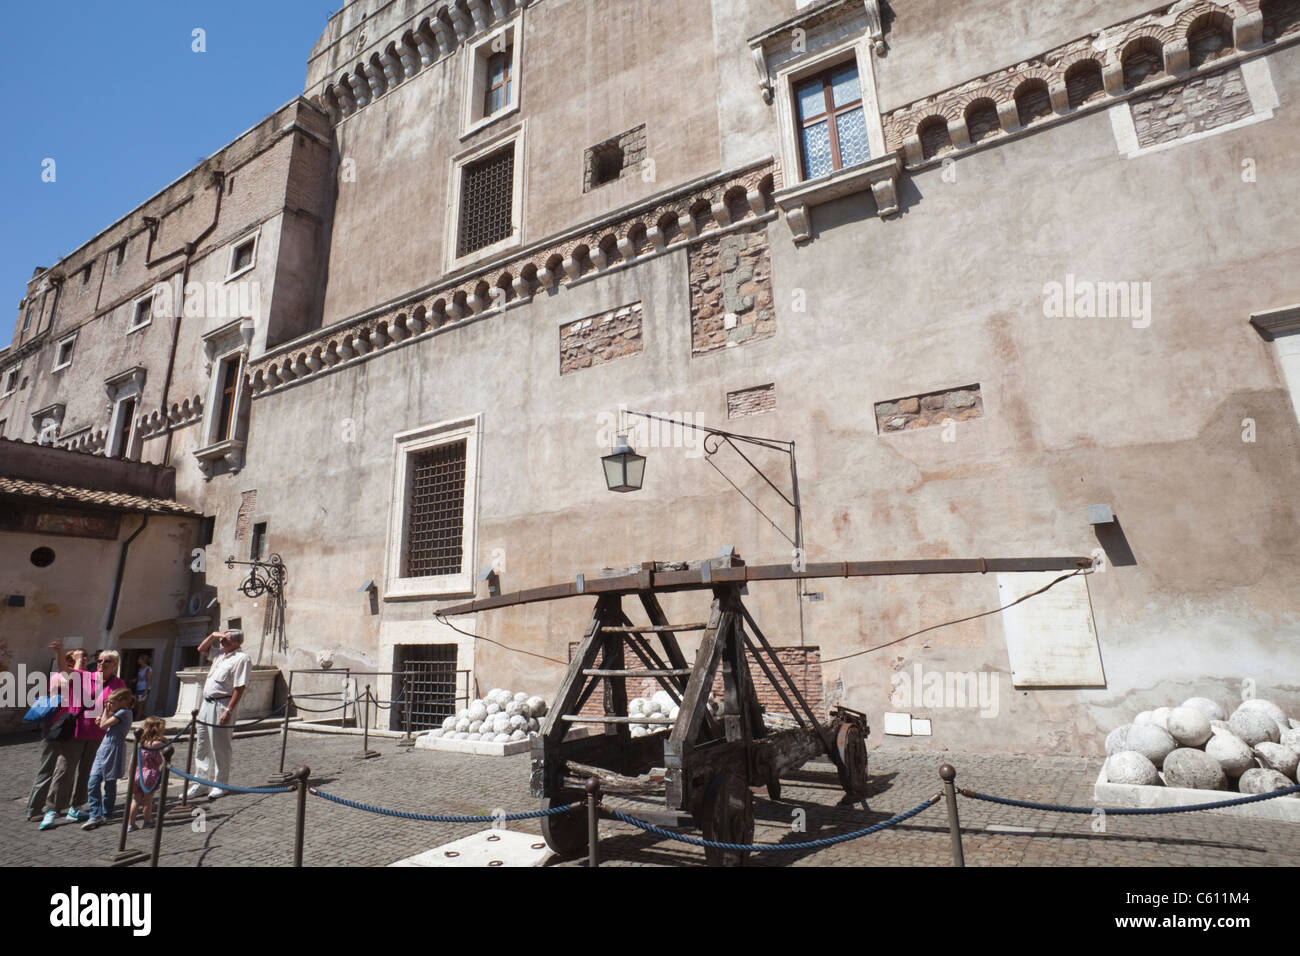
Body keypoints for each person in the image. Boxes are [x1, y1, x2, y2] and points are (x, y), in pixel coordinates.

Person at [41, 646, 125, 830]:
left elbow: (122, 706)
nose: (101, 663)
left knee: (88, 772)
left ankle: (76, 807)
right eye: (100, 660)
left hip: (99, 734)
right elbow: (65, 671)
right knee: (64, 770)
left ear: (115, 665)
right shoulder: (85, 677)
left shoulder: (119, 684)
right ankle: (52, 810)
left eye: (107, 661)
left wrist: (110, 717)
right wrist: (59, 652)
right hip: (77, 731)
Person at [189, 630, 249, 801]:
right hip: (206, 704)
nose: (222, 642)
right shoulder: (220, 655)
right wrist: (213, 636)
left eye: (225, 640)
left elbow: (240, 687)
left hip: (222, 704)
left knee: (220, 746)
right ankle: (200, 783)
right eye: (221, 640)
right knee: (202, 745)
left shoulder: (242, 659)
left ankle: (220, 784)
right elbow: (201, 648)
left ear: (236, 643)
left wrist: (229, 710)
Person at [26, 646, 83, 821]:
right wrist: (75, 660)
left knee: (64, 769)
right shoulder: (59, 677)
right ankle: (34, 809)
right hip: (54, 728)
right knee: (47, 769)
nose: (82, 661)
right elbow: (73, 680)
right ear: (67, 663)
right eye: (76, 659)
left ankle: (57, 805)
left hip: (68, 727)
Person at [82, 688, 136, 829]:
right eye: (108, 702)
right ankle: (95, 814)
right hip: (104, 749)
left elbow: (103, 725)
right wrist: (105, 714)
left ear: (122, 702)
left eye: (112, 702)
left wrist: (105, 712)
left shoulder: (124, 713)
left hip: (113, 749)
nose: (109, 705)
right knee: (93, 782)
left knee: (109, 783)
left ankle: (105, 813)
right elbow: (103, 725)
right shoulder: (118, 713)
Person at [128, 716, 166, 831]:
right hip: (150, 774)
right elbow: (170, 747)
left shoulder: (141, 742)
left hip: (138, 774)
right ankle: (147, 821)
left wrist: (130, 775)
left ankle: (131, 824)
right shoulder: (157, 743)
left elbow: (132, 760)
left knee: (136, 800)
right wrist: (164, 739)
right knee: (148, 801)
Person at [133, 652, 152, 720]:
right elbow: (140, 677)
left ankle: (137, 719)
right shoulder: (141, 669)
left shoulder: (148, 669)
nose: (138, 660)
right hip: (139, 688)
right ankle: (145, 717)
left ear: (143, 660)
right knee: (136, 705)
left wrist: (146, 691)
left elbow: (148, 680)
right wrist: (135, 680)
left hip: (143, 689)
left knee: (140, 705)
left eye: (139, 659)